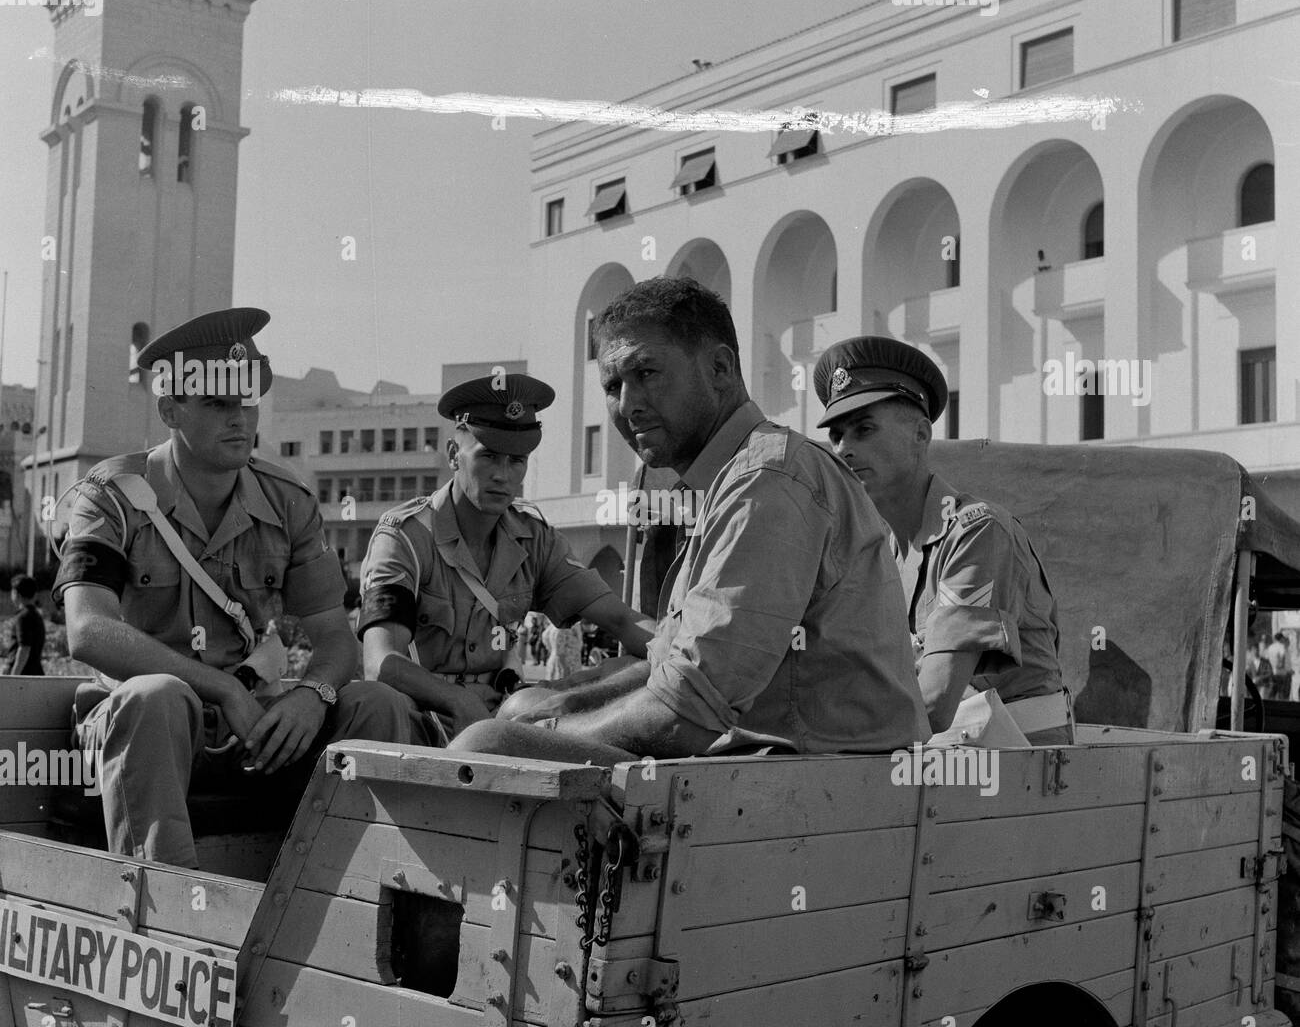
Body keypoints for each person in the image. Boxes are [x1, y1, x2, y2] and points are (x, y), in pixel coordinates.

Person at [459, 276, 929, 764]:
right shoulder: (735, 477)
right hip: (780, 768)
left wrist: (558, 728)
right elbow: (676, 663)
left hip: (823, 782)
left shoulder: (768, 480)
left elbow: (686, 715)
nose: (628, 404)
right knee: (521, 706)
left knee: (486, 746)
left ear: (720, 368)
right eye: (613, 385)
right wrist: (567, 701)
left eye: (647, 373)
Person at [52, 308, 419, 869]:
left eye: (246, 403)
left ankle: (351, 903)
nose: (240, 419)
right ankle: (165, 921)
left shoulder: (286, 500)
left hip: (251, 725)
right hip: (139, 727)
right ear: (170, 408)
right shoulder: (110, 495)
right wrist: (220, 689)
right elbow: (87, 630)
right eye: (218, 404)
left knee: (378, 704)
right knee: (159, 697)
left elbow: (334, 638)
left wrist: (312, 696)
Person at [358, 372, 653, 742]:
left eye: (517, 460)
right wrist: (457, 700)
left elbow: (621, 619)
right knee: (368, 700)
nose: (503, 475)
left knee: (628, 670)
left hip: (504, 713)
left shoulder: (534, 539)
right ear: (454, 455)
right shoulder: (404, 537)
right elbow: (380, 663)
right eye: (489, 457)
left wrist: (688, 656)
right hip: (419, 717)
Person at [813, 336, 1073, 745]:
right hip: (943, 760)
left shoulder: (977, 533)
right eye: (837, 435)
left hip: (1016, 771)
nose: (844, 449)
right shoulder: (875, 548)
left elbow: (932, 704)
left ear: (920, 433)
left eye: (864, 429)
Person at [4, 575, 45, 676]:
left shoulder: (23, 617)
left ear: (16, 594)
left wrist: (14, 676)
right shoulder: (36, 615)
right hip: (34, 672)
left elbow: (24, 648)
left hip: (23, 675)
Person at [1265, 631, 1293, 701]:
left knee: (1273, 694)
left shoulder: (1270, 647)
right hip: (1282, 673)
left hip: (1272, 673)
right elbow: (1282, 660)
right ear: (1281, 638)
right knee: (1283, 695)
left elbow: (1267, 660)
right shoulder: (1282, 647)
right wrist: (1288, 670)